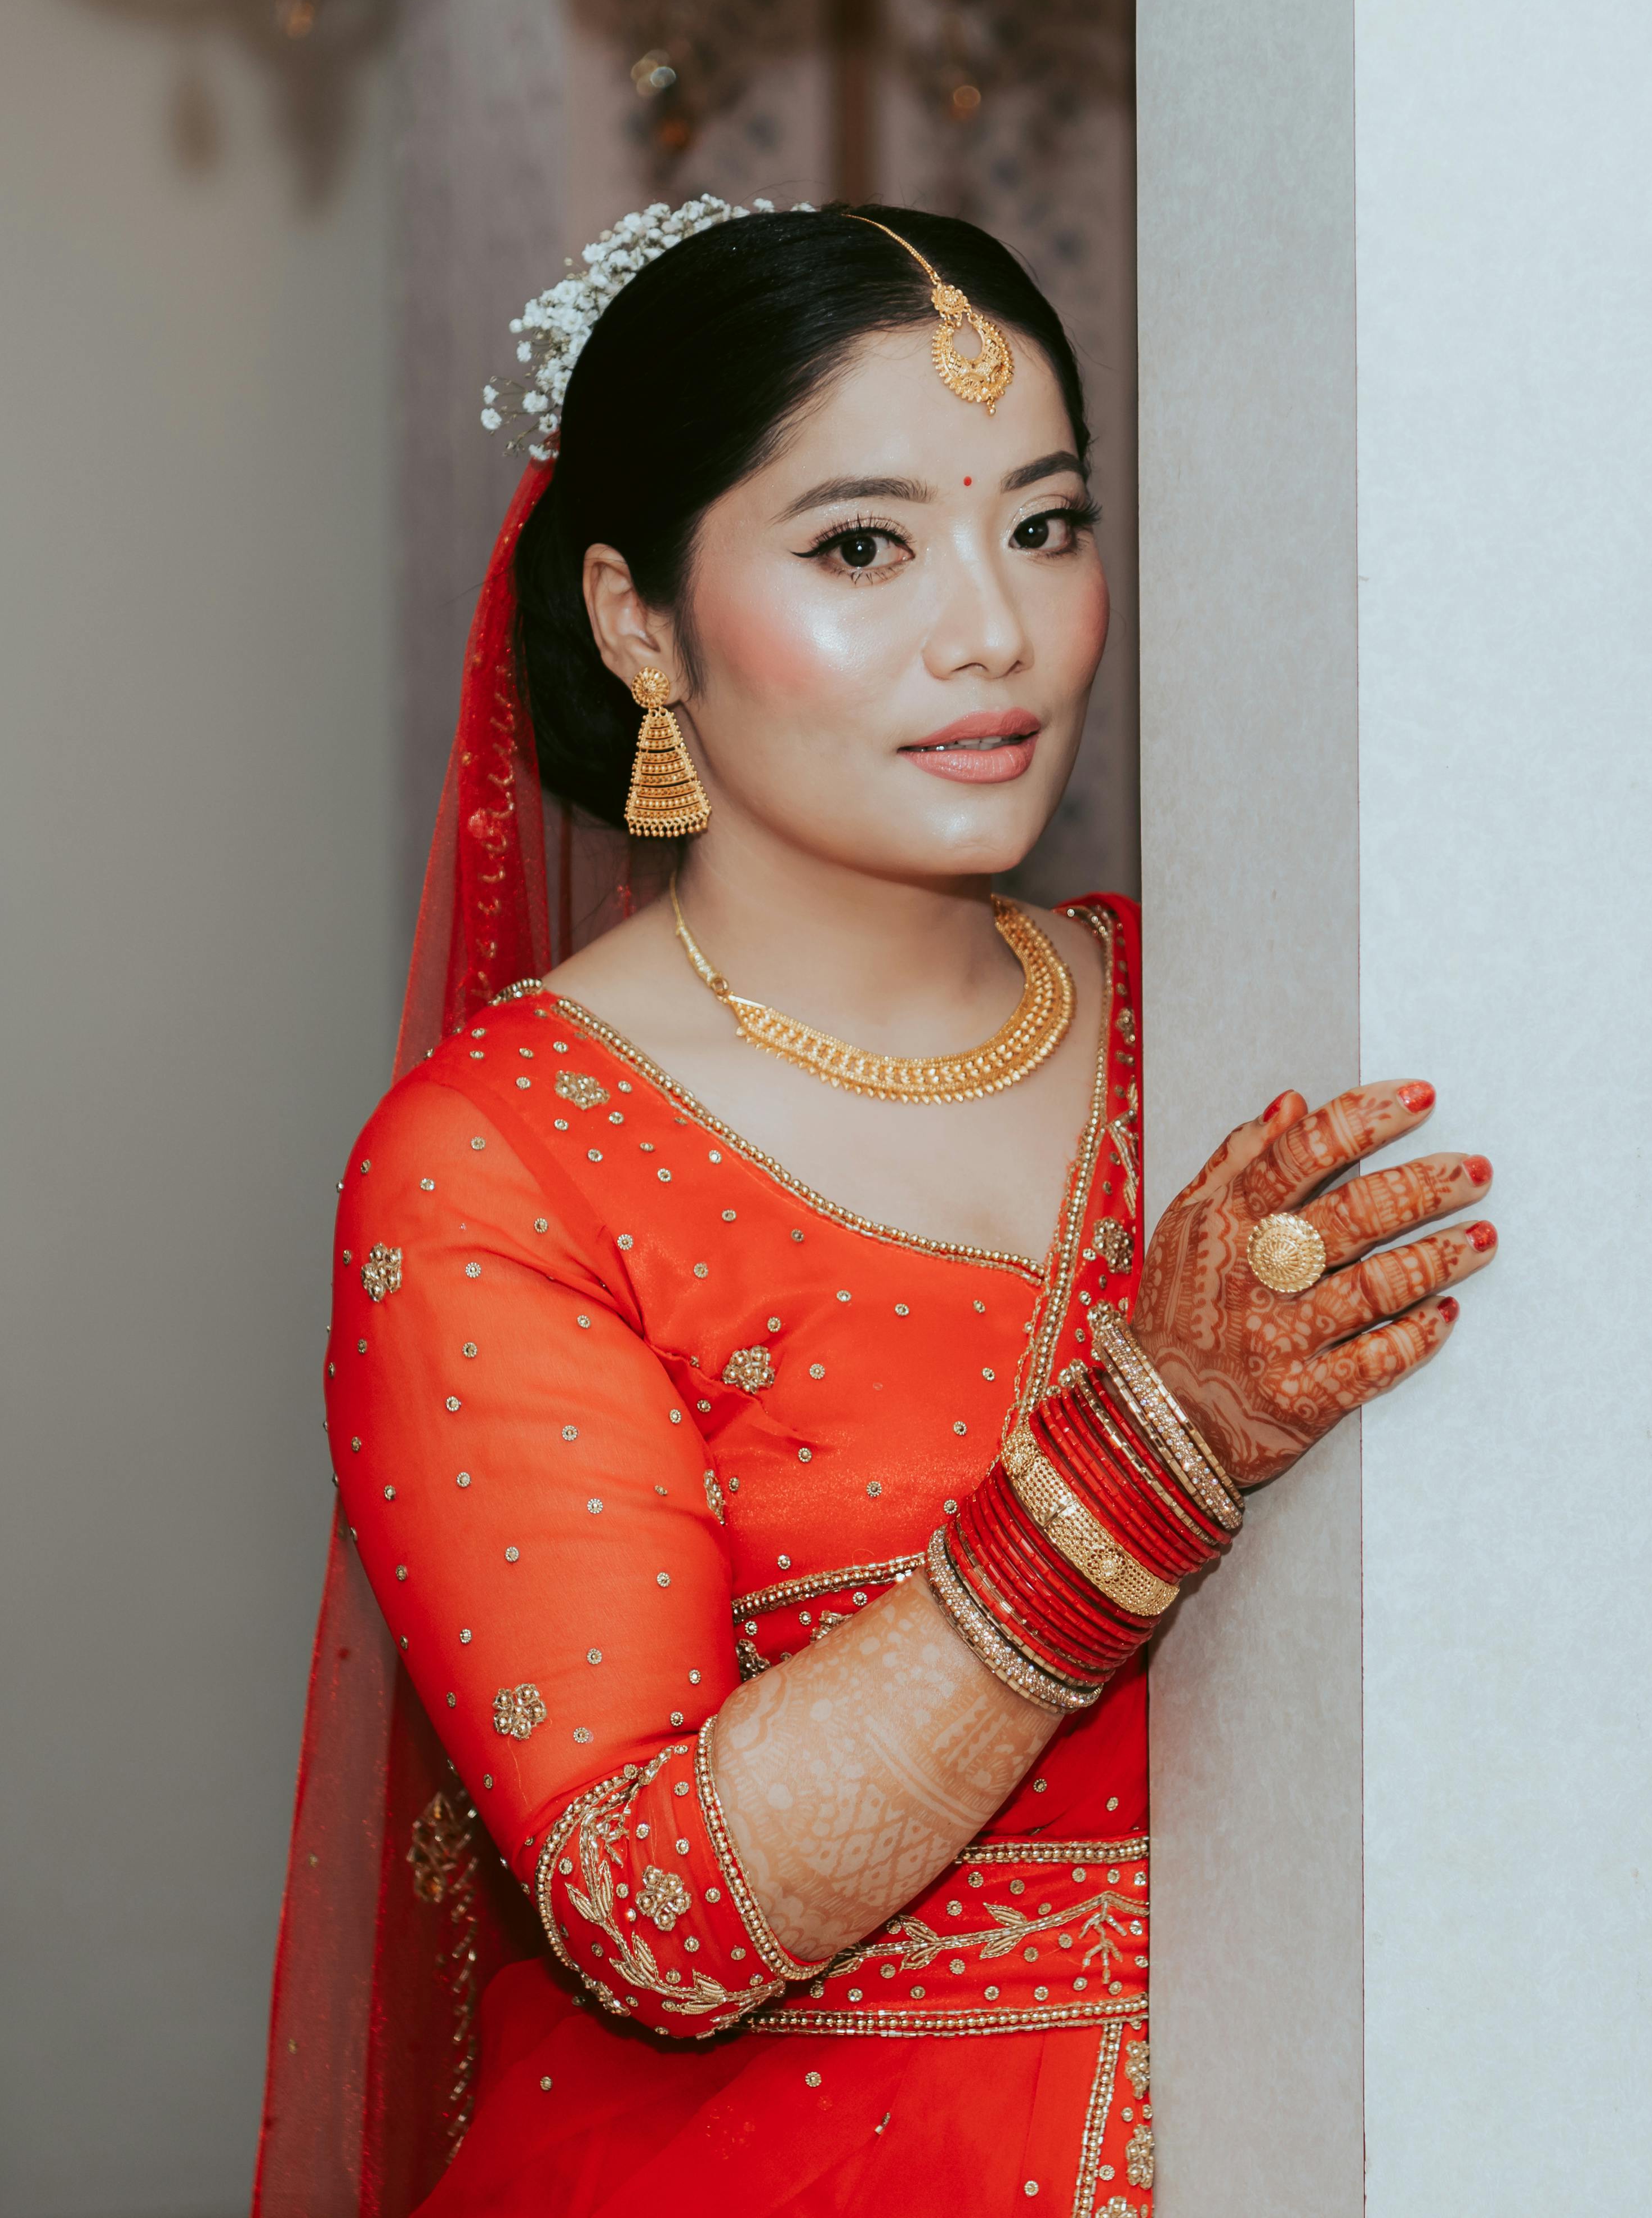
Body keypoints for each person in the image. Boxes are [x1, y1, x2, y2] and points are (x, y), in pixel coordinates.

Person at [253, 198, 1499, 2218]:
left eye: (1045, 524)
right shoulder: (508, 1159)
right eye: (861, 547)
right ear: (638, 621)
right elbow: (652, 1914)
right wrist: (1157, 1443)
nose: (992, 631)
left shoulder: (1232, 1015)